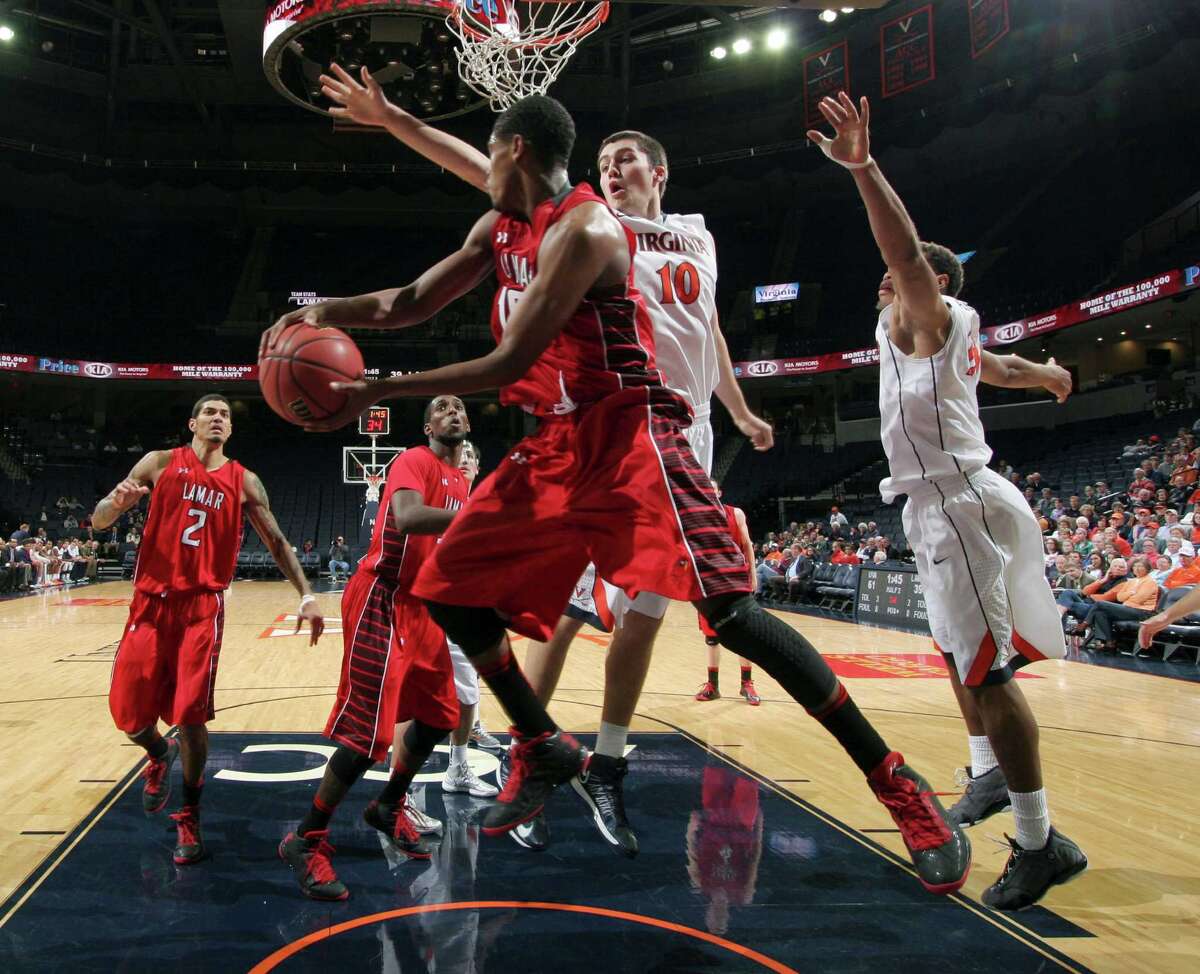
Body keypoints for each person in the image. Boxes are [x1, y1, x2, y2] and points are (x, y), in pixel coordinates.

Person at [267, 93, 969, 896]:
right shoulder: (502, 222)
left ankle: (898, 785)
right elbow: (408, 302)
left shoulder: (588, 229)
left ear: (517, 153)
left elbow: (503, 365)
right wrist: (314, 312)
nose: (475, 169)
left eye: (488, 156)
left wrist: (374, 390)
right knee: (448, 588)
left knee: (731, 615)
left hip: (632, 434)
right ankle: (541, 745)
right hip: (554, 446)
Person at [279, 65, 775, 859]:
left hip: (683, 431)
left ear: (662, 172)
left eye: (629, 160)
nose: (613, 169)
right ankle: (533, 755)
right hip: (597, 428)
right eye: (603, 160)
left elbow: (710, 332)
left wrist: (741, 408)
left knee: (659, 616)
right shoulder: (578, 224)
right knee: (571, 616)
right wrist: (397, 118)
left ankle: (605, 758)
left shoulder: (696, 233)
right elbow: (483, 171)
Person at [809, 90, 1084, 908]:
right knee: (957, 655)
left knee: (991, 675)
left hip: (957, 501)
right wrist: (1045, 373)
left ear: (923, 284)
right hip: (946, 502)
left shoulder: (925, 313)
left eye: (895, 283)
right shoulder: (945, 334)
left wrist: (862, 167)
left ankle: (1039, 844)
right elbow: (995, 370)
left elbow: (900, 253)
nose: (881, 293)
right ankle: (986, 774)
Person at [95, 394, 324, 866]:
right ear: (193, 422)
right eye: (211, 413)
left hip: (202, 606)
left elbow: (277, 541)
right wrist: (115, 506)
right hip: (150, 603)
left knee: (192, 715)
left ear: (230, 431)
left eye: (226, 416)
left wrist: (304, 593)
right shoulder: (159, 463)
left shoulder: (243, 481)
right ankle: (159, 753)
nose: (219, 419)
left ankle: (189, 814)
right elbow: (99, 518)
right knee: (128, 714)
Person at [279, 395, 470, 901]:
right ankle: (306, 839)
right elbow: (407, 518)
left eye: (459, 408)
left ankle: (389, 804)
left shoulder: (463, 481)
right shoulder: (414, 459)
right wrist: (481, 514)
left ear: (467, 423)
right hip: (382, 596)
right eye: (441, 408)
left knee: (439, 714)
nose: (452, 412)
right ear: (428, 424)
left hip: (424, 603)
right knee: (368, 733)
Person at [439, 439, 502, 798]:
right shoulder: (437, 498)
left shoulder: (487, 505)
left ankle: (457, 767)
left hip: (465, 610)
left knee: (466, 691)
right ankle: (401, 786)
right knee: (417, 694)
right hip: (428, 605)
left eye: (470, 457)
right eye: (457, 455)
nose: (463, 460)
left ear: (478, 467)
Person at [695, 484, 761, 706]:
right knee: (711, 638)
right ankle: (713, 686)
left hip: (736, 580)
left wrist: (753, 575)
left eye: (713, 489)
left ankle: (747, 683)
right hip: (710, 583)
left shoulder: (735, 513)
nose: (710, 492)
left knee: (743, 634)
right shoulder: (698, 515)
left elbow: (748, 545)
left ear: (720, 493)